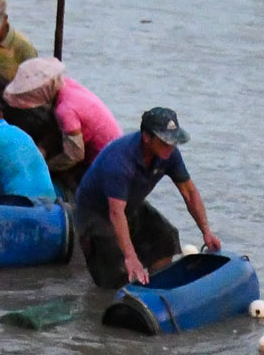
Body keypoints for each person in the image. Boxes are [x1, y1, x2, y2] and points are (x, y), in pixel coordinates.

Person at [73, 108, 220, 289]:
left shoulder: (169, 154)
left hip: (129, 204)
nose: (171, 146)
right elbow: (116, 212)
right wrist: (130, 256)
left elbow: (189, 192)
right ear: (147, 137)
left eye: (173, 140)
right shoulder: (119, 161)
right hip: (95, 212)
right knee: (116, 269)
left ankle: (157, 287)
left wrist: (206, 231)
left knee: (165, 236)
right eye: (165, 141)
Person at [3, 57, 120, 188]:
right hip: (112, 149)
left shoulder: (65, 110)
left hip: (103, 163)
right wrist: (42, 148)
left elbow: (74, 155)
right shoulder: (68, 85)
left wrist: (46, 167)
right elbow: (55, 129)